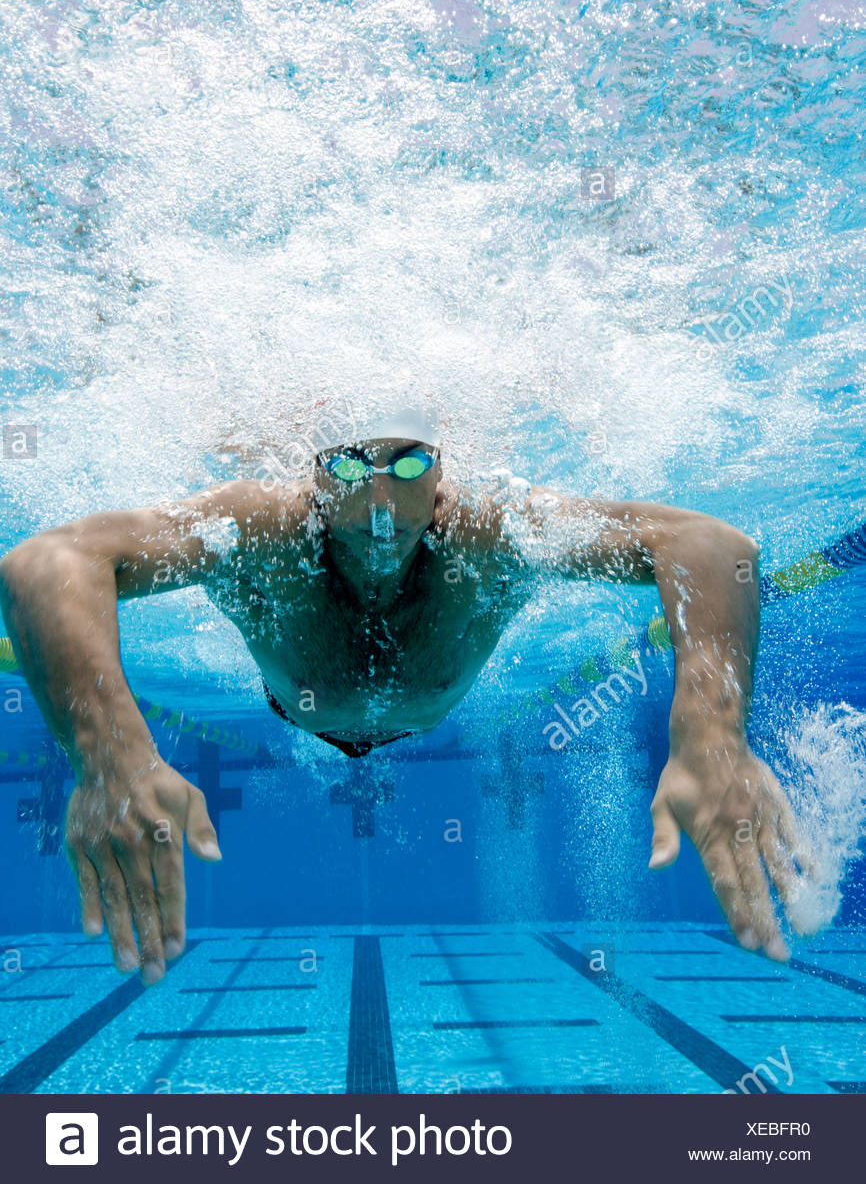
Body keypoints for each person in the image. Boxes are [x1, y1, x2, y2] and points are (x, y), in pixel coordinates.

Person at [0, 397, 812, 986]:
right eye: (349, 464)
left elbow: (710, 544)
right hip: (297, 712)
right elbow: (47, 563)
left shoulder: (495, 531)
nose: (381, 502)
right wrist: (108, 753)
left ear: (443, 475)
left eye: (409, 463)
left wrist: (711, 732)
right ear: (313, 475)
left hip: (426, 709)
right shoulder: (256, 527)